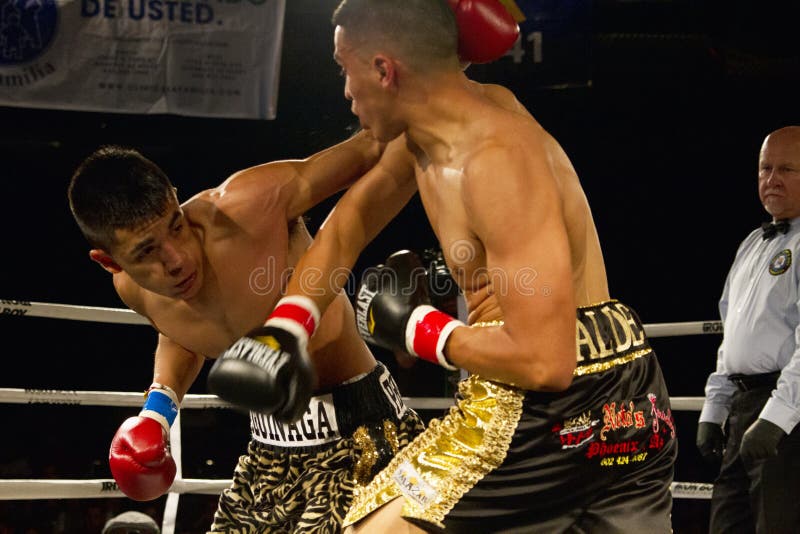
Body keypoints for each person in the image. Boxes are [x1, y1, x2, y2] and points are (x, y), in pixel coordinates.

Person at [208, 0, 678, 532]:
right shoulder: (439, 133)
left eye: (345, 68)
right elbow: (347, 226)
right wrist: (288, 328)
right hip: (631, 397)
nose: (344, 91)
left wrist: (415, 329)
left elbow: (547, 362)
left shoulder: (494, 161)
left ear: (385, 70)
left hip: (541, 402)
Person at [67, 133, 427, 533]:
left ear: (175, 196)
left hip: (362, 432)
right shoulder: (134, 291)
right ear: (108, 262)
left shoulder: (247, 207)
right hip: (268, 456)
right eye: (146, 252)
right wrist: (157, 412)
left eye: (177, 227)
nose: (177, 258)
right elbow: (182, 333)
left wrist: (433, 86)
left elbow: (376, 146)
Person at [697, 126, 800, 534]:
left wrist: (778, 417)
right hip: (742, 409)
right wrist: (714, 409)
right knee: (726, 524)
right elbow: (732, 335)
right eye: (765, 168)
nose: (771, 179)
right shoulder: (752, 243)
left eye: (786, 169)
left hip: (787, 410)